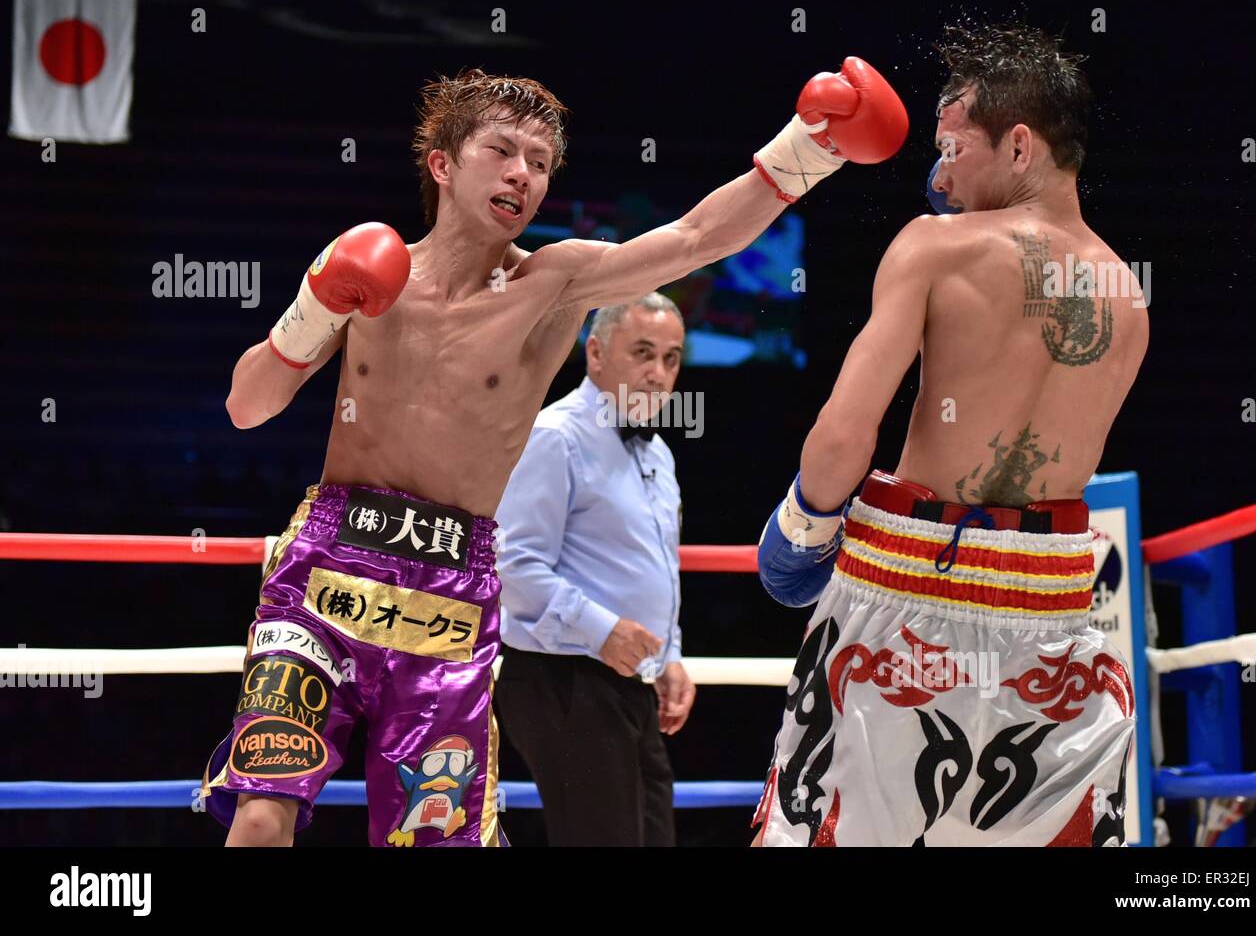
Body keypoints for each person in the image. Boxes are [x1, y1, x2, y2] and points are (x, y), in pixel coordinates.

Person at [198, 60, 908, 846]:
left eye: (539, 164)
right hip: (326, 570)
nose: (523, 175)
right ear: (441, 163)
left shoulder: (553, 285)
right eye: (503, 152)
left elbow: (697, 238)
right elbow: (246, 405)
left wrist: (809, 148)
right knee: (263, 814)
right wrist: (312, 305)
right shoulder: (369, 266)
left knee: (428, 838)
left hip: (449, 587)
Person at [753, 23, 1148, 847]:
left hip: (907, 589)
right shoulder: (1126, 294)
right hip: (1056, 612)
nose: (939, 175)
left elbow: (843, 432)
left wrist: (803, 527)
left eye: (951, 148)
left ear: (1017, 145)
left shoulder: (935, 247)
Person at [494, 293, 692, 846]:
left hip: (628, 679)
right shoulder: (555, 436)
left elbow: (653, 567)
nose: (658, 374)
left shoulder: (658, 454)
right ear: (597, 353)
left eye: (672, 359)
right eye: (644, 353)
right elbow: (513, 564)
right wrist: (602, 630)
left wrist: (669, 655)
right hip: (562, 678)